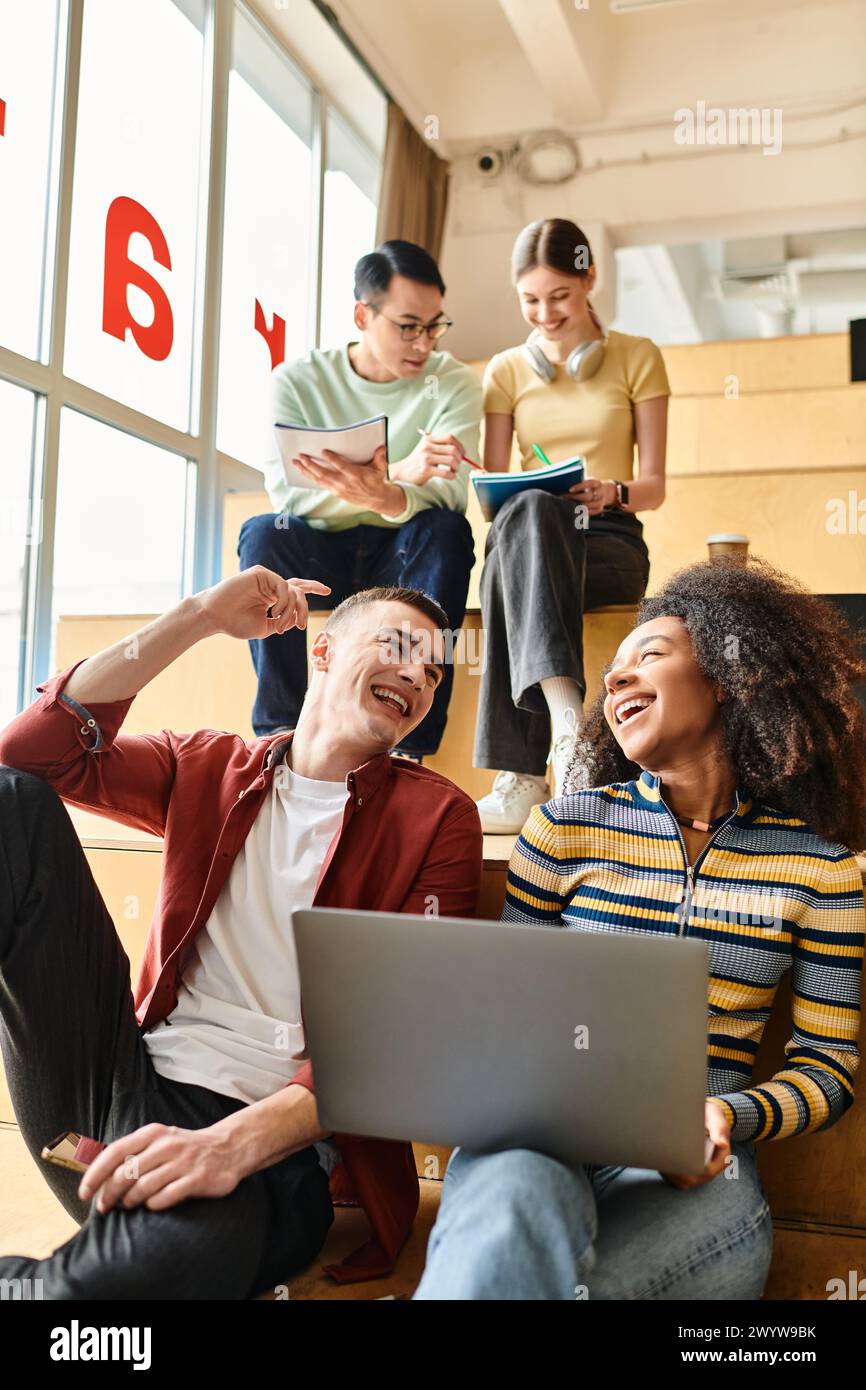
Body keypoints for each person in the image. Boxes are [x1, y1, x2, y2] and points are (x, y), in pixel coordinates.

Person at [0, 568, 482, 1299]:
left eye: (436, 672)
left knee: (144, 1278)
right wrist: (196, 617)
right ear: (322, 653)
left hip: (268, 1148)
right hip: (115, 1087)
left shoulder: (438, 818)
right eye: (398, 645)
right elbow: (31, 756)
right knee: (9, 804)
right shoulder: (208, 766)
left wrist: (227, 1149)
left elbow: (398, 1032)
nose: (420, 674)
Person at [415, 557, 866, 1300]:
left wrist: (726, 1111)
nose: (616, 680)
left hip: (692, 1163)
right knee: (513, 1204)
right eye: (612, 672)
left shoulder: (819, 869)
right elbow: (504, 1017)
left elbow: (828, 1065)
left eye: (648, 657)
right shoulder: (560, 830)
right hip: (542, 1129)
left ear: (728, 676)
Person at [238, 239, 482, 758]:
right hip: (316, 557)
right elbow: (292, 499)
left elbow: (449, 492)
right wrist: (398, 479)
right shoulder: (299, 381)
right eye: (408, 325)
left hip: (403, 560)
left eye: (435, 325)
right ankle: (279, 731)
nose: (424, 342)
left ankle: (408, 743)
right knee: (264, 532)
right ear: (362, 315)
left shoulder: (454, 383)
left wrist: (380, 492)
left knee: (445, 530)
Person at [475, 217, 670, 832]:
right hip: (532, 538)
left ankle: (524, 773)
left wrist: (614, 490)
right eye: (530, 300)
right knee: (526, 514)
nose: (545, 314)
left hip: (608, 543)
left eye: (559, 296)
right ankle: (567, 733)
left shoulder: (637, 356)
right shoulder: (505, 371)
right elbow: (492, 487)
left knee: (516, 555)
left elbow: (656, 487)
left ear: (590, 279)